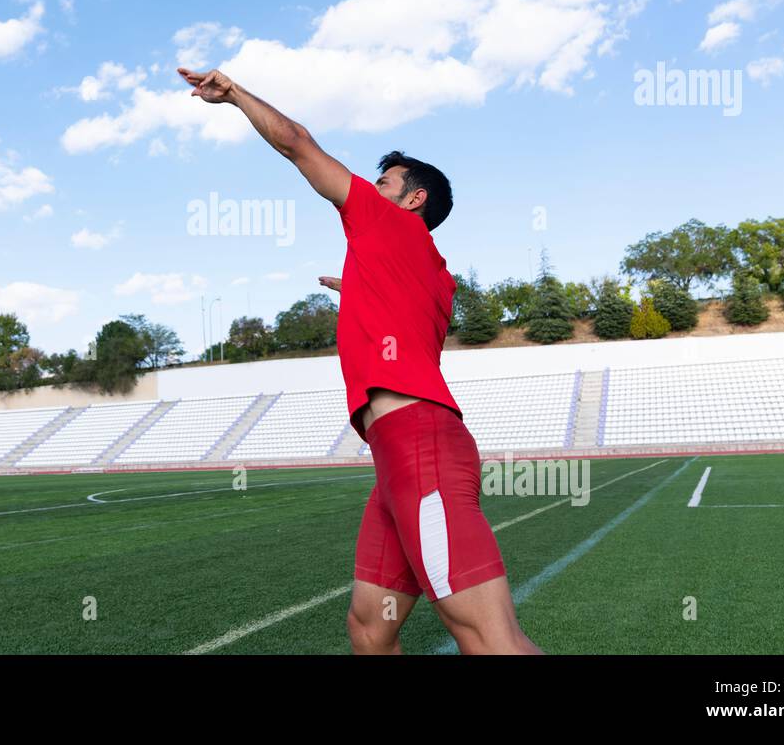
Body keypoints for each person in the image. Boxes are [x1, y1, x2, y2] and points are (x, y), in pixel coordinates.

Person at [178, 67, 542, 655]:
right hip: (395, 461)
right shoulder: (434, 272)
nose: (371, 188)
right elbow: (402, 312)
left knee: (489, 637)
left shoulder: (385, 221)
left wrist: (236, 93)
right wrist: (358, 289)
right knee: (371, 630)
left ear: (412, 199)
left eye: (385, 181)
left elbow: (297, 143)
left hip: (421, 447)